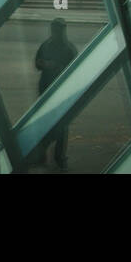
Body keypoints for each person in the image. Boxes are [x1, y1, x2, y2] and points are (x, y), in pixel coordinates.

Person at [33, 18, 77, 169]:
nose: (57, 32)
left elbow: (74, 69)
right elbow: (37, 63)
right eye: (55, 29)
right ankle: (54, 156)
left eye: (59, 29)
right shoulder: (48, 45)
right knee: (53, 124)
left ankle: (55, 156)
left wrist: (56, 66)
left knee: (60, 125)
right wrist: (45, 64)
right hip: (47, 89)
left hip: (58, 91)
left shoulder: (67, 48)